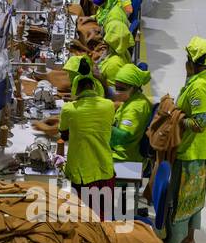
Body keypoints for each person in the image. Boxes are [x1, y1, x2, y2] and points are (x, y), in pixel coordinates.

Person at [167, 37, 206, 243]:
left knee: (180, 199)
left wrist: (177, 118)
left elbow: (199, 123)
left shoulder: (198, 87)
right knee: (196, 198)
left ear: (192, 62)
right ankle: (189, 237)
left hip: (191, 152)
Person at [59, 56, 116, 217]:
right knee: (102, 218)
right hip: (105, 170)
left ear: (75, 87)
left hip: (81, 174)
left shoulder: (69, 109)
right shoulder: (109, 106)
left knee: (83, 220)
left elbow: (64, 134)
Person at [110, 63, 153, 164]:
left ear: (133, 88)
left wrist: (103, 127)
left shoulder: (134, 108)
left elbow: (124, 136)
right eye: (116, 87)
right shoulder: (136, 98)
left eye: (121, 89)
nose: (117, 91)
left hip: (124, 157)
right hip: (126, 151)